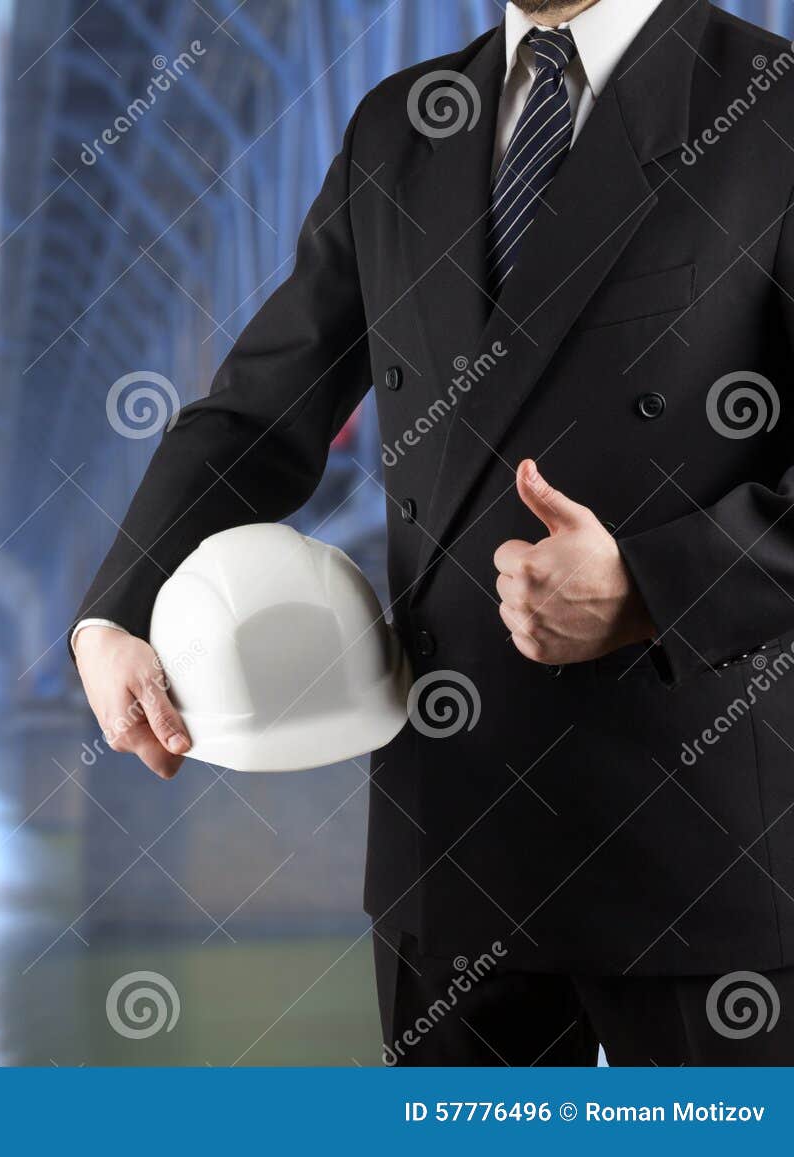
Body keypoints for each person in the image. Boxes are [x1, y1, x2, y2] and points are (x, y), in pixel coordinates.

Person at [73, 0, 794, 1064]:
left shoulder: (771, 108)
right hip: (450, 843)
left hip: (704, 856)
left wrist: (653, 583)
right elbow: (260, 413)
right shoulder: (398, 127)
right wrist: (113, 610)